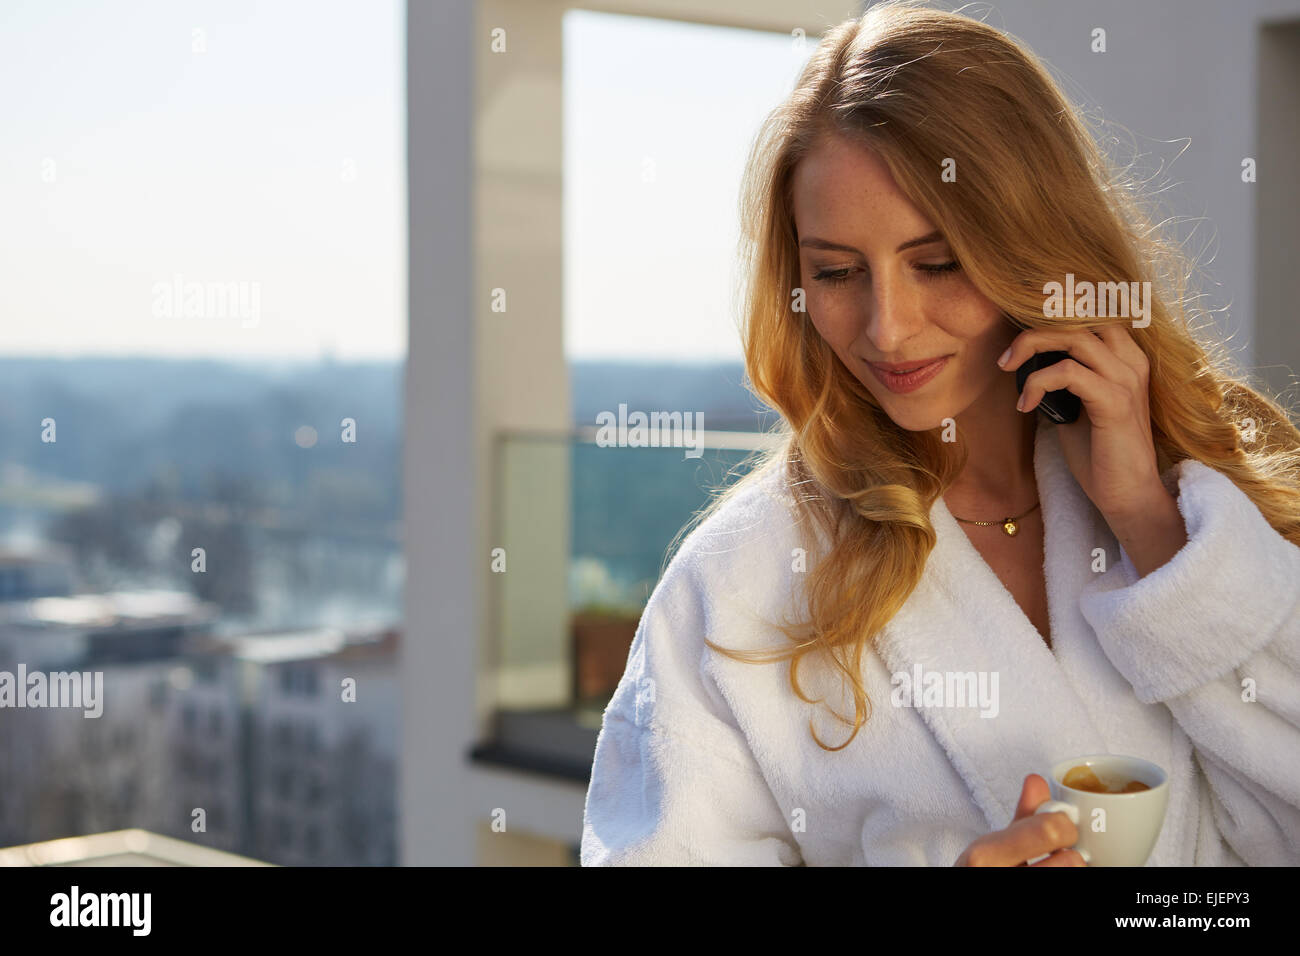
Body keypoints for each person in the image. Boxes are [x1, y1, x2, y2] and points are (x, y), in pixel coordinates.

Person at [580, 0, 1300, 866]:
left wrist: (1150, 522)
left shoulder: (1199, 518)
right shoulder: (738, 588)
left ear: (1033, 245)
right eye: (838, 273)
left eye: (937, 263)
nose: (888, 327)